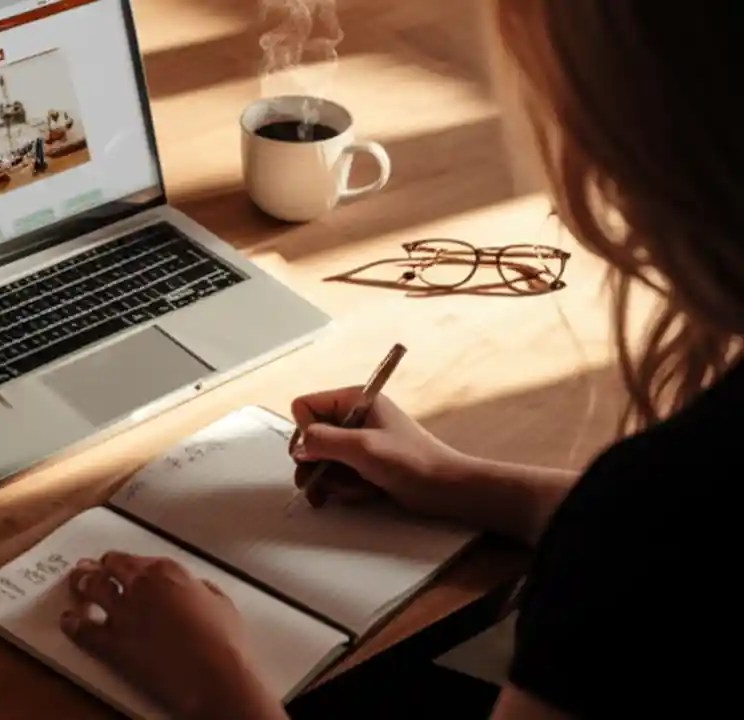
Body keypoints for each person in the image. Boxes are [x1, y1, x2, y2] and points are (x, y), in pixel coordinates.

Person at [59, 2, 740, 718]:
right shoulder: (658, 510)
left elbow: (659, 537)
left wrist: (213, 686)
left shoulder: (652, 519)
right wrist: (458, 482)